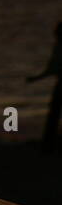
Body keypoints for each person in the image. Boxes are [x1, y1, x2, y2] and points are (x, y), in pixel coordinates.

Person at [26, 21, 62, 154]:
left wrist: (35, 78)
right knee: (54, 114)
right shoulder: (58, 47)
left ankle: (49, 146)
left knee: (53, 115)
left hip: (61, 86)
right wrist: (35, 78)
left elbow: (52, 68)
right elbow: (52, 68)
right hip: (60, 84)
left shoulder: (59, 47)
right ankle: (50, 145)